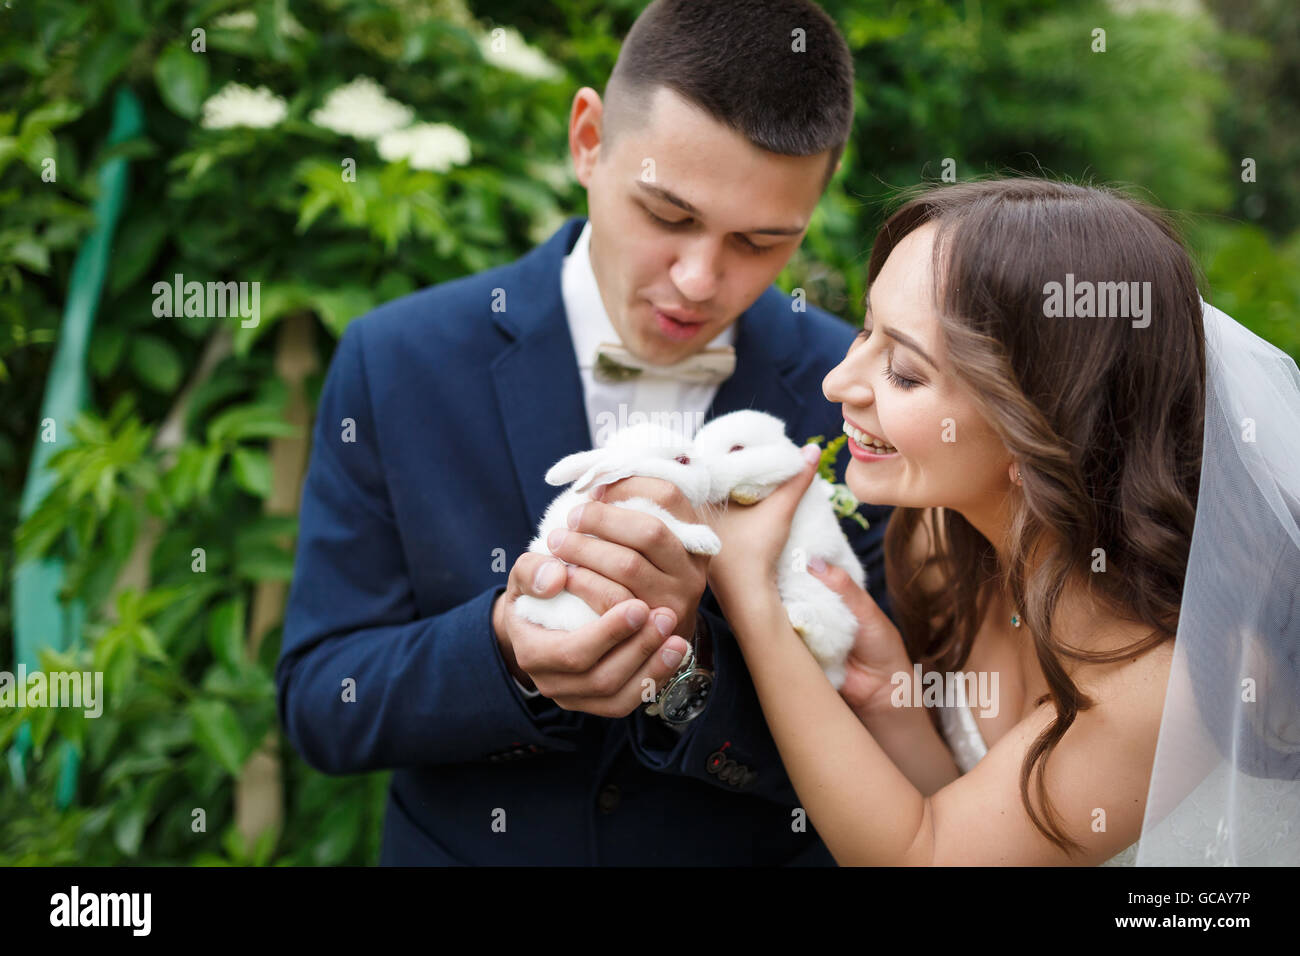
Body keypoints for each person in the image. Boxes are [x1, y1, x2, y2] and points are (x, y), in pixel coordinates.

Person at [276, 0, 894, 865]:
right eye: (668, 215)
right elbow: (322, 704)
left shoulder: (856, 397)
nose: (698, 279)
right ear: (588, 139)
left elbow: (895, 739)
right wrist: (504, 649)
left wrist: (694, 672)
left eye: (761, 242)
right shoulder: (397, 359)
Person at [696, 176, 1300, 865]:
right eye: (866, 329)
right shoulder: (939, 545)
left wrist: (748, 593)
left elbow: (927, 857)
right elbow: (966, 812)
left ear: (1039, 428)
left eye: (903, 372)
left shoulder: (1175, 673)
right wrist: (895, 698)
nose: (839, 381)